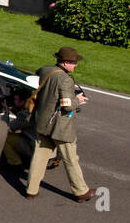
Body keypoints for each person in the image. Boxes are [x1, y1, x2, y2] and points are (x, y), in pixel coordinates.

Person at [25, 47, 95, 202]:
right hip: (60, 127)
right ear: (65, 63)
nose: (75, 65)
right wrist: (79, 100)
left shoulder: (45, 71)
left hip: (42, 123)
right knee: (71, 159)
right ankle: (81, 191)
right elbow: (68, 105)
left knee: (39, 158)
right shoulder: (65, 79)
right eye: (73, 62)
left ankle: (31, 190)